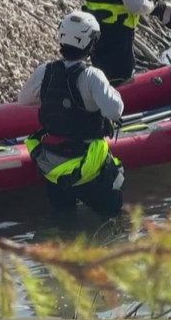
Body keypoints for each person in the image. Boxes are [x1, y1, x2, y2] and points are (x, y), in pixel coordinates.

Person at [18, 11, 126, 219]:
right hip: (87, 168)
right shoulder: (92, 76)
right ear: (90, 43)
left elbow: (24, 99)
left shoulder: (45, 71)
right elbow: (115, 110)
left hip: (52, 166)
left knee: (63, 218)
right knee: (113, 213)